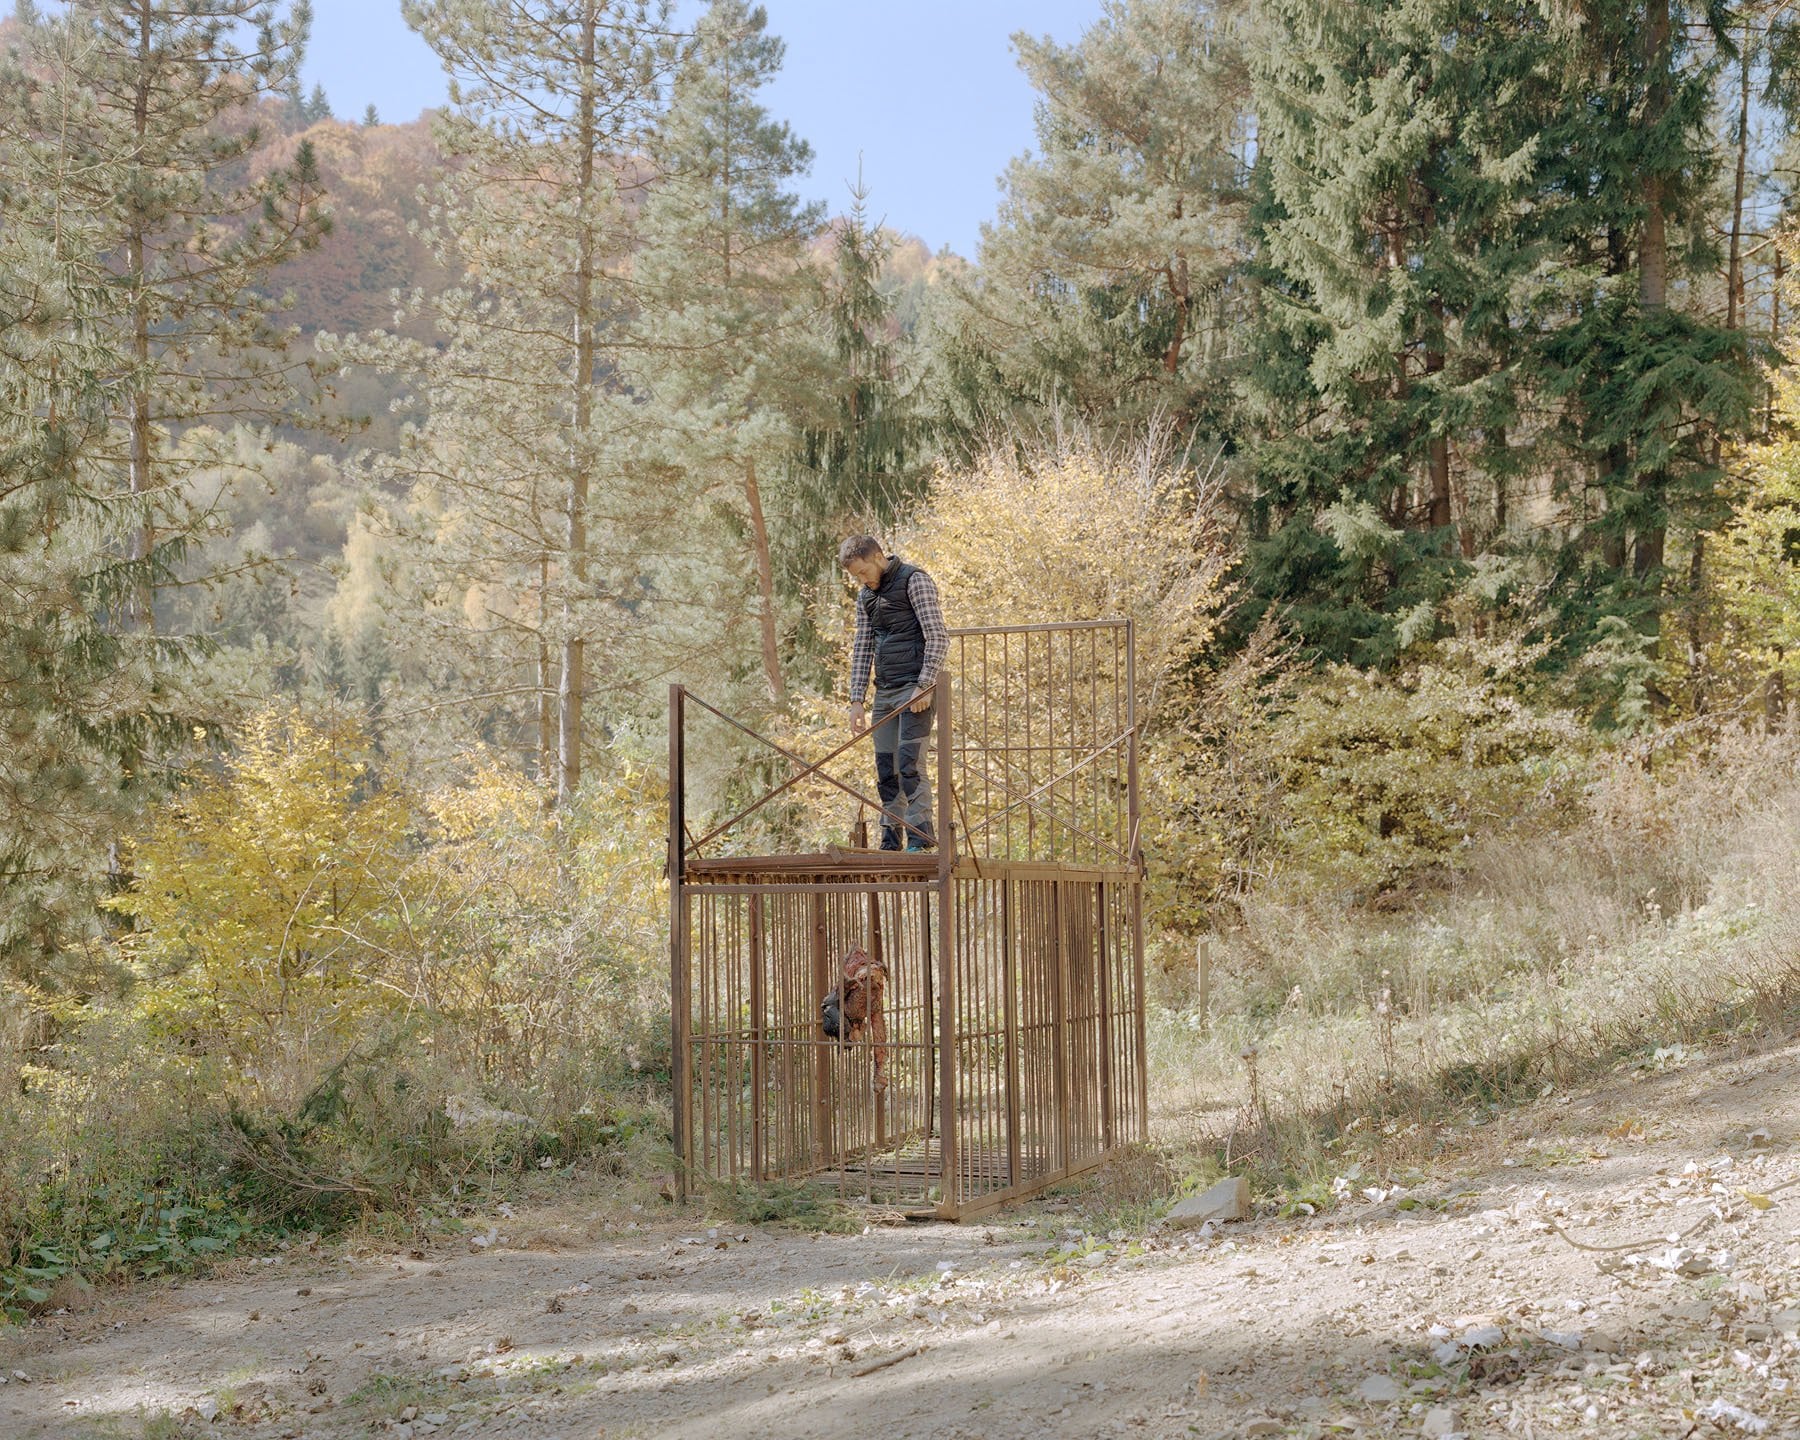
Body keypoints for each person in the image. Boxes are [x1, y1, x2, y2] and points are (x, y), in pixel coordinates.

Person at [840, 534, 947, 851]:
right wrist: (856, 700)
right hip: (884, 693)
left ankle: (921, 840)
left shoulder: (915, 580)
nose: (862, 579)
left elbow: (938, 637)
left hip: (915, 689)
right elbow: (862, 649)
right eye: (855, 576)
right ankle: (890, 842)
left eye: (862, 572)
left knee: (910, 764)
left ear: (876, 557)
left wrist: (925, 684)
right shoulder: (865, 597)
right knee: (886, 769)